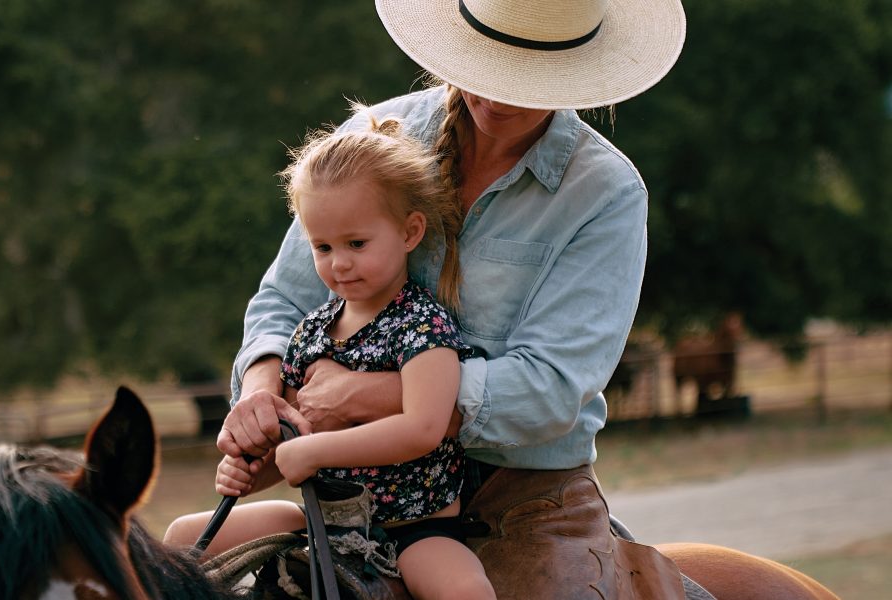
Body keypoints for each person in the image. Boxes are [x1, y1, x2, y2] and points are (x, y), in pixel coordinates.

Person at [213, 0, 691, 598]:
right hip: (352, 482)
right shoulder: (373, 141)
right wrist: (260, 396)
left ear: (574, 71)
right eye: (484, 68)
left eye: (525, 80)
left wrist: (371, 398)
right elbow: (285, 299)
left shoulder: (606, 193)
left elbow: (554, 383)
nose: (494, 98)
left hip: (522, 492)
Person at [165, 118, 495, 599]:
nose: (338, 263)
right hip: (325, 518)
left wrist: (313, 452)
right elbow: (298, 436)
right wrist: (253, 472)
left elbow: (423, 427)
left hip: (414, 528)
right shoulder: (311, 334)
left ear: (410, 232)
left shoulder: (424, 325)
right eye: (323, 247)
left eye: (356, 244)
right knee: (179, 540)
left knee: (466, 591)